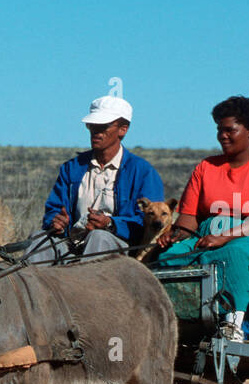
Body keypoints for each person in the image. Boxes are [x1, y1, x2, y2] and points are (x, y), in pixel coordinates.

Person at [155, 95, 249, 341]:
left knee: (235, 253)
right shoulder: (205, 168)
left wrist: (225, 236)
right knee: (168, 258)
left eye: (230, 130)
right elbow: (188, 219)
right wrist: (174, 235)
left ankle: (234, 322)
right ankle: (182, 321)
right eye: (219, 130)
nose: (222, 136)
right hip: (210, 234)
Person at [30, 96, 164, 264]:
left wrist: (111, 224)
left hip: (120, 250)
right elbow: (53, 209)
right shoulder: (72, 168)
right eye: (92, 126)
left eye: (103, 126)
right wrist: (56, 222)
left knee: (98, 237)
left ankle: (86, 289)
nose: (96, 131)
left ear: (123, 129)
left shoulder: (143, 172)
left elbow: (150, 222)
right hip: (71, 243)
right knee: (38, 238)